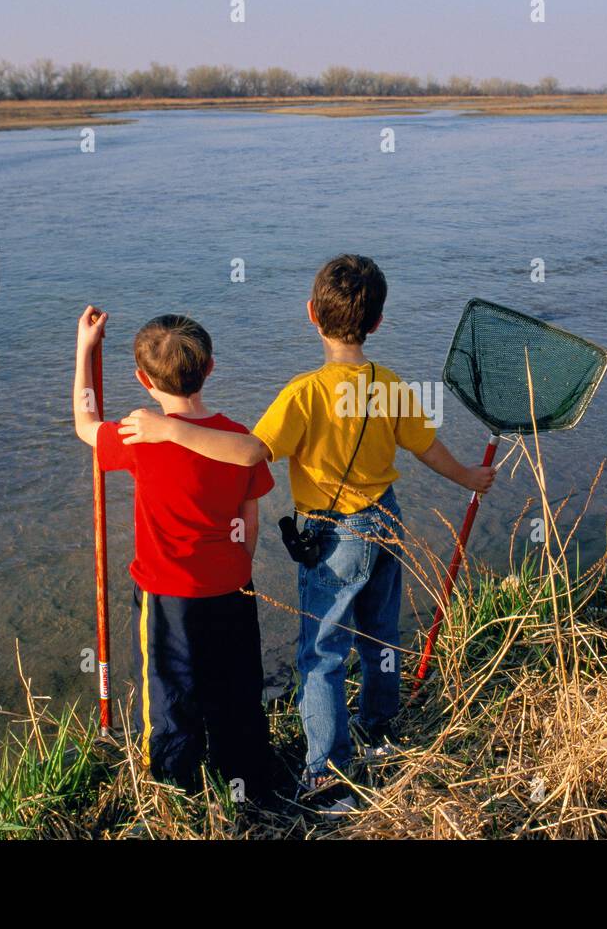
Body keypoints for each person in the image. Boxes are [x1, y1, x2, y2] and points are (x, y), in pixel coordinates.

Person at [116, 256, 494, 811]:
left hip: (335, 536)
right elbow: (427, 449)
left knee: (322, 654)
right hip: (388, 522)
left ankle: (326, 774)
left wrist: (166, 428)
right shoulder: (390, 386)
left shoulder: (304, 393)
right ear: (379, 322)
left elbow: (249, 451)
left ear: (311, 315)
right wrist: (469, 476)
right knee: (380, 636)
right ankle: (380, 734)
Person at [73, 305, 273, 799]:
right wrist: (238, 564)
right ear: (210, 368)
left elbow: (85, 421)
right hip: (233, 587)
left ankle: (174, 790)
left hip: (168, 596)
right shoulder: (235, 436)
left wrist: (84, 351)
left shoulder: (140, 438)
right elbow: (250, 520)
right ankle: (246, 782)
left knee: (170, 694)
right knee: (237, 690)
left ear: (142, 379)